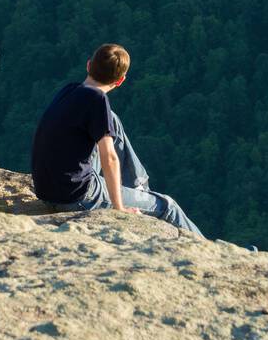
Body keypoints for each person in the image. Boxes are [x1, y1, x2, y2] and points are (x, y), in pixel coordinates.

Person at [31, 43, 202, 236]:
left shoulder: (69, 90)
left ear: (88, 66)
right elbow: (109, 157)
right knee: (169, 207)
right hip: (76, 196)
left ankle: (138, 187)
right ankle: (209, 254)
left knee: (111, 119)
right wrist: (119, 209)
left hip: (47, 189)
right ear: (120, 81)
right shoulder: (97, 100)